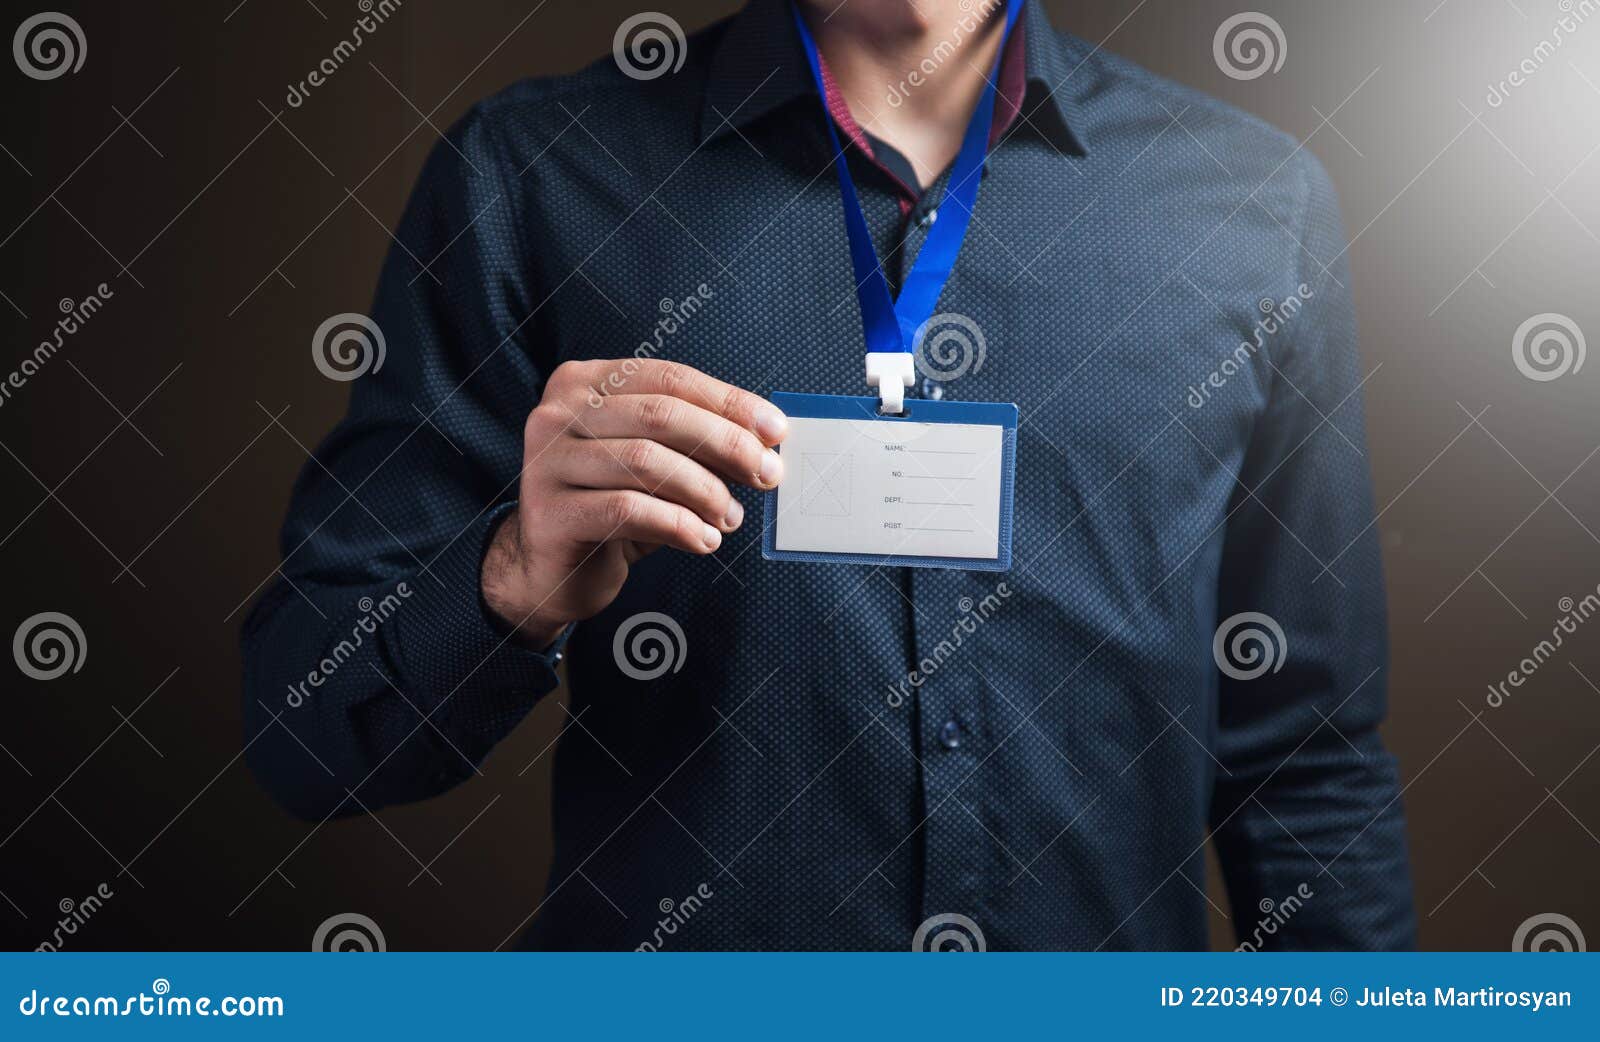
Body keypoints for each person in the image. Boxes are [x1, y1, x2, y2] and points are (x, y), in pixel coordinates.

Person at [242, 0, 1415, 950]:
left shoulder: (1254, 207)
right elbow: (307, 743)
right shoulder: (535, 172)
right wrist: (511, 582)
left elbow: (1306, 753)